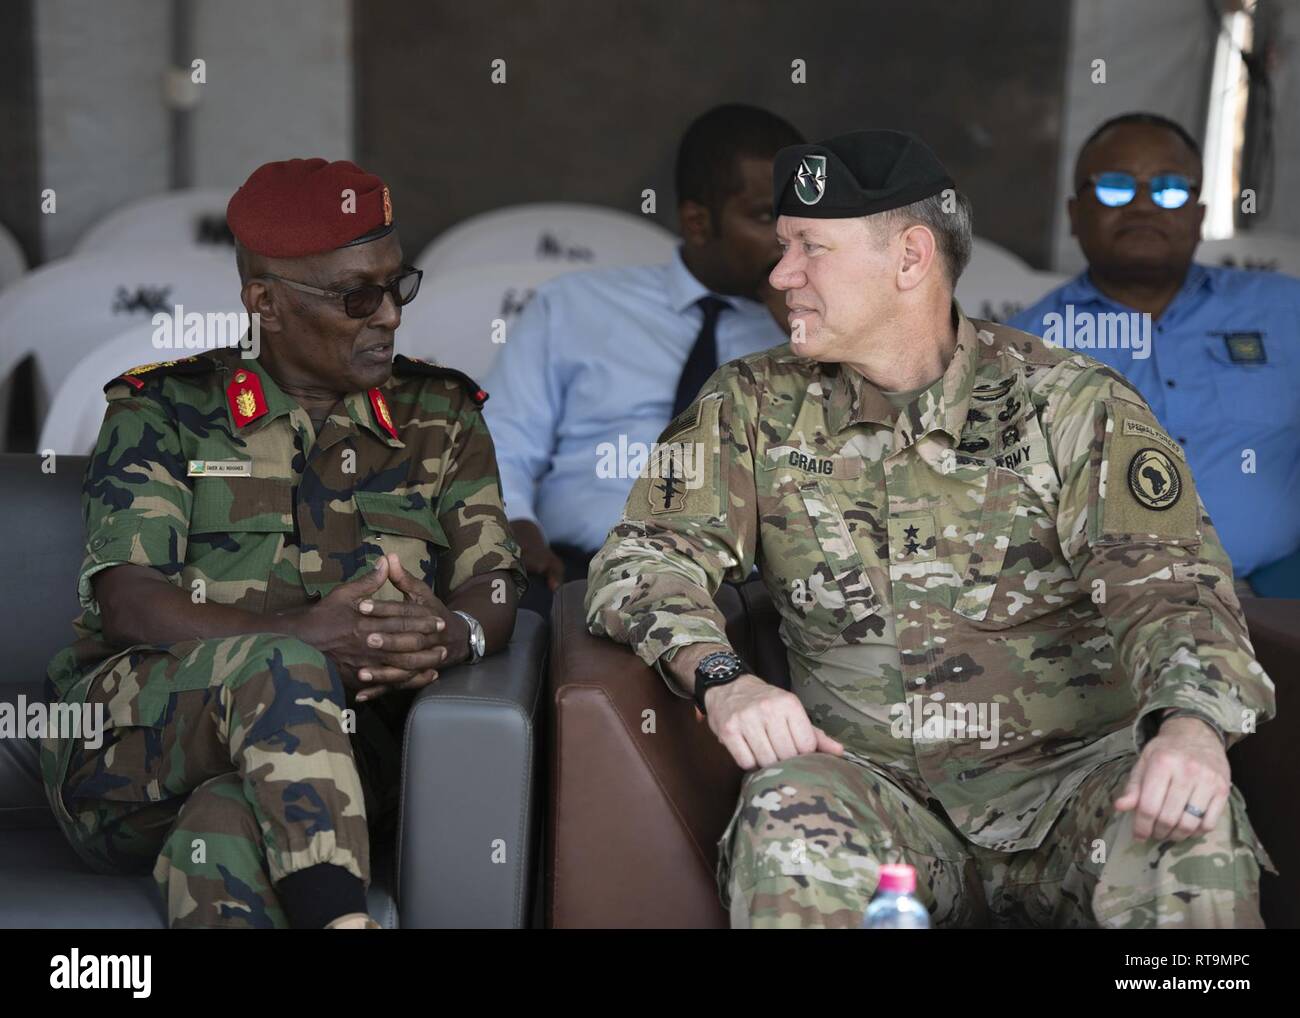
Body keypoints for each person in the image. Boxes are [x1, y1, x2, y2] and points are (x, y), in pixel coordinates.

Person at [585, 129, 1276, 929]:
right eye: (782, 247)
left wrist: (1189, 727)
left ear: (911, 257)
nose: (781, 277)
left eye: (811, 248)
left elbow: (1173, 585)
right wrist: (721, 677)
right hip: (877, 797)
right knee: (786, 813)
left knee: (1190, 832)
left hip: (1076, 793)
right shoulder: (749, 404)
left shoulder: (1072, 402)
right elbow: (643, 556)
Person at [39, 158, 524, 928]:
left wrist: (451, 634)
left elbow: (495, 584)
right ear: (264, 302)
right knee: (284, 662)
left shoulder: (442, 415)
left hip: (329, 779)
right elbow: (129, 601)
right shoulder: (163, 411)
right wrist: (300, 636)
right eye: (357, 296)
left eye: (398, 286)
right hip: (139, 753)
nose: (390, 316)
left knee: (222, 832)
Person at [484, 104, 801, 616]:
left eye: (801, 218)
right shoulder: (576, 305)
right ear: (699, 223)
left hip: (755, 594)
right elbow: (503, 441)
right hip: (580, 572)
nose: (790, 238)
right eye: (767, 217)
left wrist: (814, 325)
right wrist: (517, 530)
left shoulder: (810, 329)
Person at [1011, 112, 1300, 596]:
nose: (1143, 206)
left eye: (1168, 189)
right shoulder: (1024, 346)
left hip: (1280, 594)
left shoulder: (1285, 310)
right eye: (1115, 188)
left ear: (1199, 214)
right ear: (1074, 214)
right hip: (1105, 612)